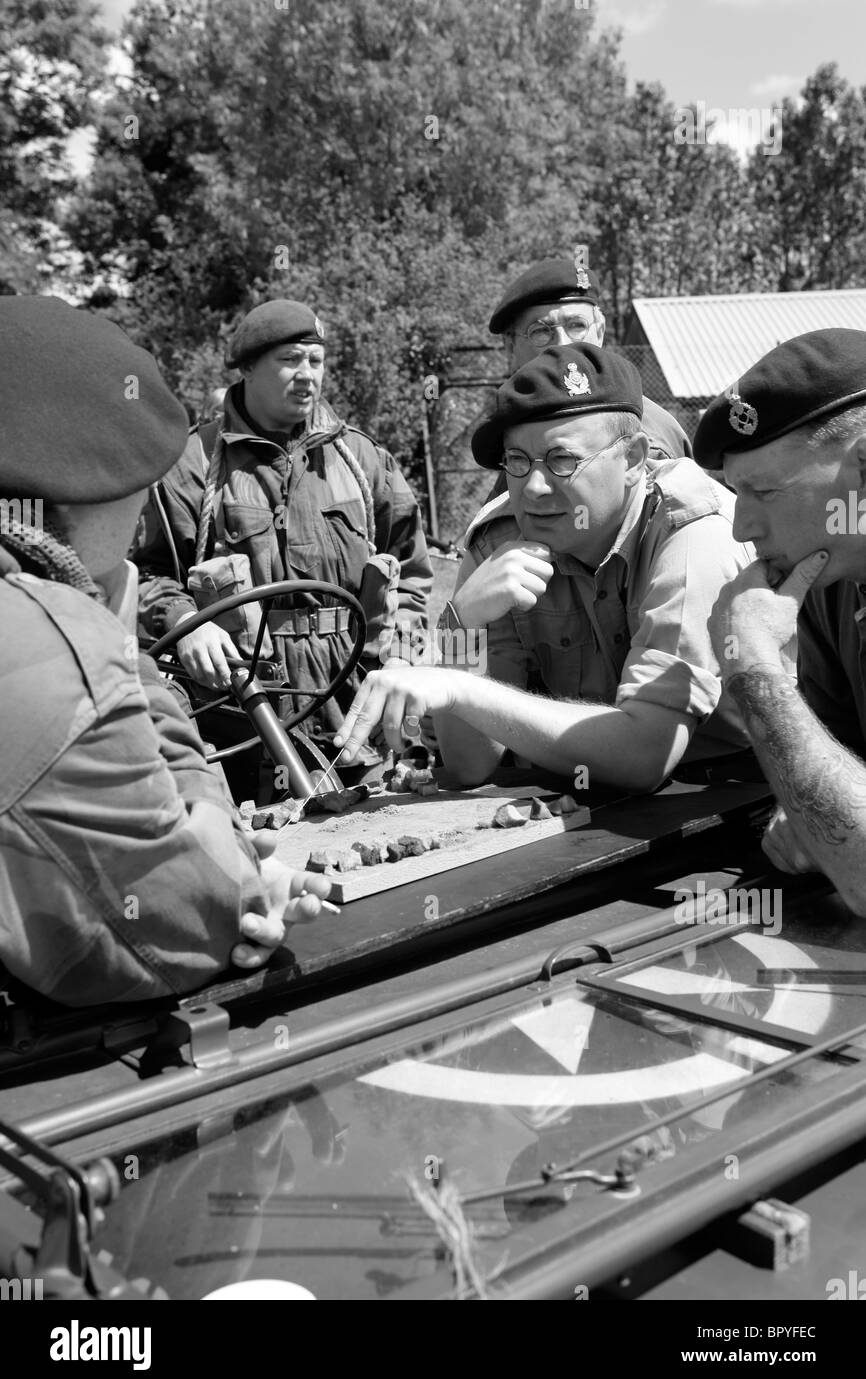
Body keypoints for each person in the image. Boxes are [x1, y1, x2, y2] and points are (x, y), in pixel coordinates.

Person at [0, 296, 333, 1007]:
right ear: (90, 486)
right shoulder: (53, 645)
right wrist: (110, 628)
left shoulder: (356, 456)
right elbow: (191, 930)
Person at [333, 344, 753, 791]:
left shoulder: (692, 533)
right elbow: (471, 767)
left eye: (561, 460)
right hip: (583, 798)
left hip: (724, 798)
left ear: (632, 459)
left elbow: (645, 756)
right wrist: (461, 624)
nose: (532, 488)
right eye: (517, 461)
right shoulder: (498, 542)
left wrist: (460, 689)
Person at [134, 299, 433, 793]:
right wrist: (187, 625)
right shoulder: (192, 463)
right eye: (290, 360)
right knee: (263, 850)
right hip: (241, 706)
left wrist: (402, 656)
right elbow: (147, 574)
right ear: (248, 367)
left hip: (356, 700)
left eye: (315, 361)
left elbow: (413, 575)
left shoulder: (360, 459)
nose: (307, 375)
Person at [694, 328, 866, 915]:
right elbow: (842, 762)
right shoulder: (830, 582)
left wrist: (756, 665)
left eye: (763, 490)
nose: (741, 528)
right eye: (734, 494)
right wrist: (814, 809)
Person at [489, 257, 692, 462]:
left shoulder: (643, 440)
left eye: (577, 326)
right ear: (511, 346)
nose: (562, 344)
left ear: (600, 332)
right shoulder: (516, 429)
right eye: (541, 331)